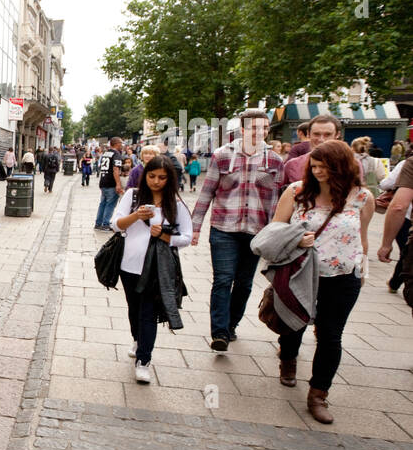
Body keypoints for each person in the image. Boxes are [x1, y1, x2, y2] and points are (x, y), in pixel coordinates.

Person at [269, 140, 372, 423]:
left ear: (341, 166)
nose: (317, 171)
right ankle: (288, 359)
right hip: (301, 272)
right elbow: (275, 230)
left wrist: (361, 271)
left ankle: (318, 394)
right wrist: (296, 239)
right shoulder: (296, 192)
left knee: (330, 335)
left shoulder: (361, 197)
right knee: (294, 323)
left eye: (323, 166)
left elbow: (362, 238)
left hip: (343, 276)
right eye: (313, 166)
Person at [190, 109, 285, 351]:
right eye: (254, 128)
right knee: (223, 280)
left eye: (264, 128)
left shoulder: (274, 160)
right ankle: (219, 332)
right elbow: (207, 191)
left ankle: (231, 324)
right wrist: (195, 227)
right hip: (224, 228)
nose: (260, 132)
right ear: (242, 129)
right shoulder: (222, 156)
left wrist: (276, 234)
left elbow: (275, 201)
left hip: (256, 231)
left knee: (244, 283)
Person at [111, 156, 192, 384]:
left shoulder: (176, 204)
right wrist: (136, 216)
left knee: (148, 313)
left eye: (162, 178)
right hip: (129, 264)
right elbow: (114, 224)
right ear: (145, 176)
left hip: (158, 268)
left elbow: (187, 236)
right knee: (134, 309)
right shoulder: (133, 196)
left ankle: (144, 360)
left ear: (170, 179)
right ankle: (138, 339)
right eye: (152, 176)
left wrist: (165, 236)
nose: (156, 181)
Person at [377, 157, 412, 294]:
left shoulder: (408, 163)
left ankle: (395, 282)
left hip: (407, 219)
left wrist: (386, 244)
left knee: (407, 251)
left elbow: (399, 206)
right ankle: (395, 282)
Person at [282, 114, 342, 187]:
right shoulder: (292, 165)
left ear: (337, 135)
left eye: (327, 134)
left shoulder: (351, 165)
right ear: (308, 134)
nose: (321, 139)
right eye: (316, 134)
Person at [93, 137, 127, 230]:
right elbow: (116, 169)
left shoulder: (106, 153)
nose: (122, 145)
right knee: (110, 204)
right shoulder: (116, 154)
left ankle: (98, 223)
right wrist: (118, 184)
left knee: (103, 203)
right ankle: (106, 224)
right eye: (121, 143)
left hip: (103, 181)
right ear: (116, 144)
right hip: (111, 182)